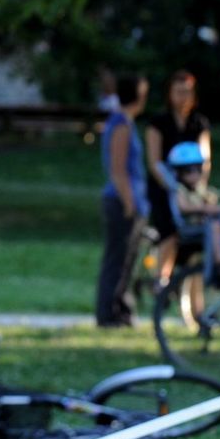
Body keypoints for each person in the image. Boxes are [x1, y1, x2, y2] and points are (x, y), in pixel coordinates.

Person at [144, 69, 211, 288]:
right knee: (169, 234)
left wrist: (197, 189)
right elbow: (154, 162)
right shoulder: (158, 123)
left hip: (191, 188)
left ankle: (193, 298)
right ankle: (160, 282)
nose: (183, 97)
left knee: (198, 240)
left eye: (187, 92)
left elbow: (205, 160)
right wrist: (173, 188)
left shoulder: (198, 123)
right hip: (163, 188)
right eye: (178, 92)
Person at [96, 73, 149, 327]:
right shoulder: (121, 124)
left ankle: (121, 309)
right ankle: (110, 312)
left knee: (127, 260)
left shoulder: (124, 121)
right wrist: (130, 204)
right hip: (121, 202)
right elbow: (118, 170)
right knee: (117, 258)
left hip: (129, 201)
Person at [168, 141, 220, 284]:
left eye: (198, 169)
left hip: (204, 224)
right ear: (178, 173)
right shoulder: (179, 190)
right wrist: (211, 208)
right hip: (189, 228)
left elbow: (212, 200)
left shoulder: (199, 189)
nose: (195, 174)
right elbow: (184, 207)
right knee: (214, 225)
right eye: (189, 171)